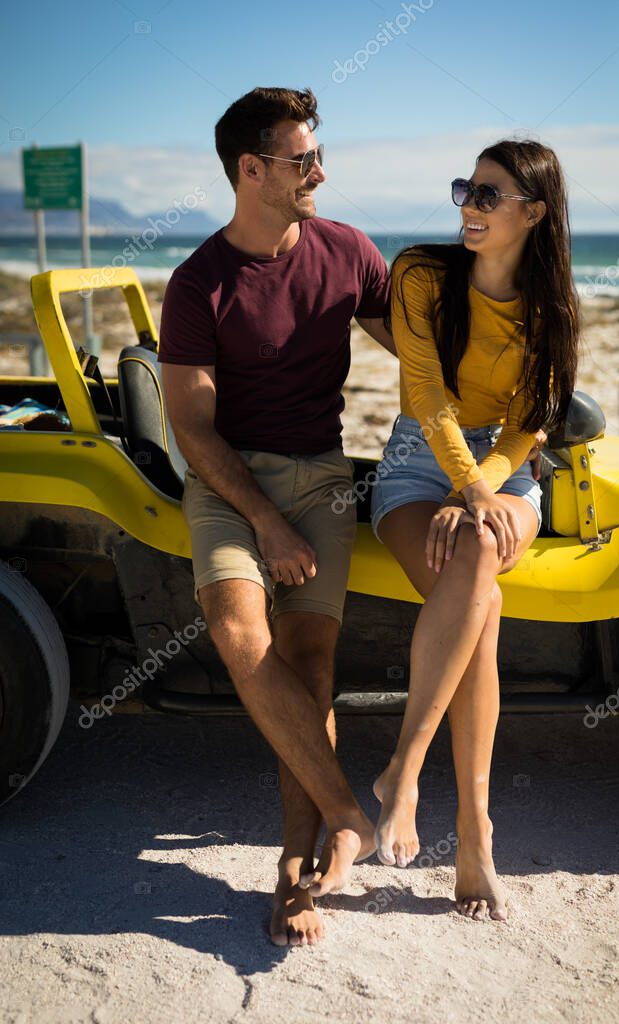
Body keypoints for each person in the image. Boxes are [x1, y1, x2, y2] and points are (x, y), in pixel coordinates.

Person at [158, 86, 395, 946]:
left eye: (316, 155)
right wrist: (265, 521)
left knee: (310, 654)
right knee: (236, 624)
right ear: (250, 170)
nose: (319, 173)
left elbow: (419, 349)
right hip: (228, 482)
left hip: (323, 474)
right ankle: (345, 811)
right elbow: (192, 428)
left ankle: (296, 867)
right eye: (302, 161)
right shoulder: (197, 284)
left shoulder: (348, 250)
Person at [369, 139, 580, 921]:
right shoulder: (420, 275)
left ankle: (407, 773)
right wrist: (459, 486)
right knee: (479, 604)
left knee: (480, 548)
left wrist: (480, 490)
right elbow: (426, 395)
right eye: (466, 188)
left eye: (487, 195)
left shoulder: (553, 307)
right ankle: (472, 835)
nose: (467, 204)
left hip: (504, 474)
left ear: (533, 212)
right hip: (416, 464)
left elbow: (527, 429)